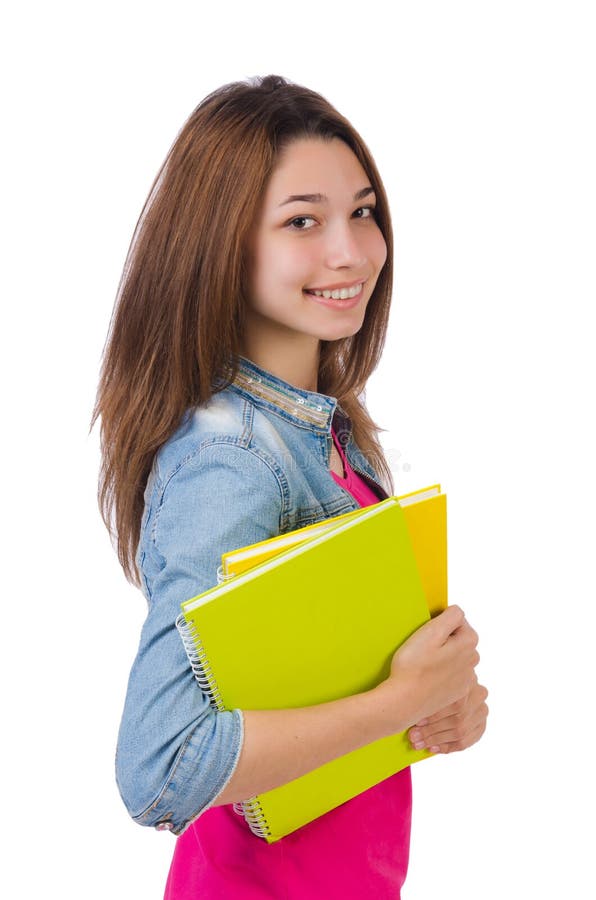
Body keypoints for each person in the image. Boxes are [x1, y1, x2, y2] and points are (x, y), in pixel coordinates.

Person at [93, 74, 488, 899]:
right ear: (221, 242)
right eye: (302, 221)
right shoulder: (230, 460)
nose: (350, 250)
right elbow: (160, 765)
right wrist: (396, 703)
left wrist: (434, 710)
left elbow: (311, 684)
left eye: (363, 210)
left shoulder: (327, 430)